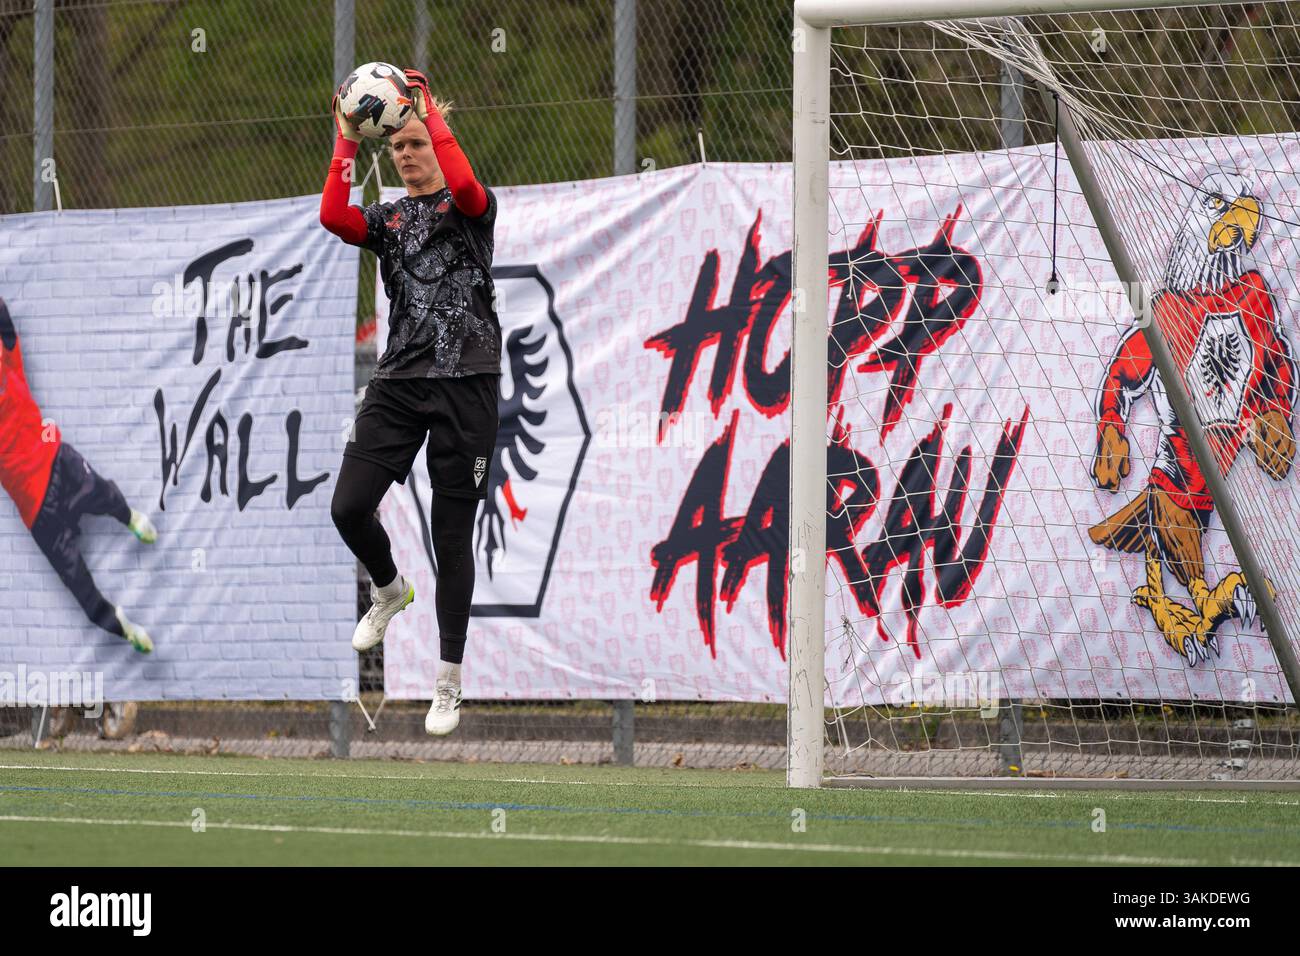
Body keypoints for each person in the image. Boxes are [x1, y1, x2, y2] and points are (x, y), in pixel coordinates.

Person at [320, 69, 500, 736]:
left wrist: (428, 111)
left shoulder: (472, 209)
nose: (406, 153)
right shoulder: (390, 218)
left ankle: (448, 683)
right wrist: (345, 140)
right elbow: (333, 216)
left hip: (468, 385)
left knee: (452, 537)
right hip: (399, 382)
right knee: (347, 506)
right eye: (397, 147)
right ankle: (390, 588)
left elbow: (469, 185)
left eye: (416, 143)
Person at [0, 297, 157, 652]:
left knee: (108, 498)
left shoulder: (10, 365)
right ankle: (128, 630)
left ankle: (131, 518)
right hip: (38, 512)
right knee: (85, 598)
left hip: (58, 463)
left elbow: (3, 315)